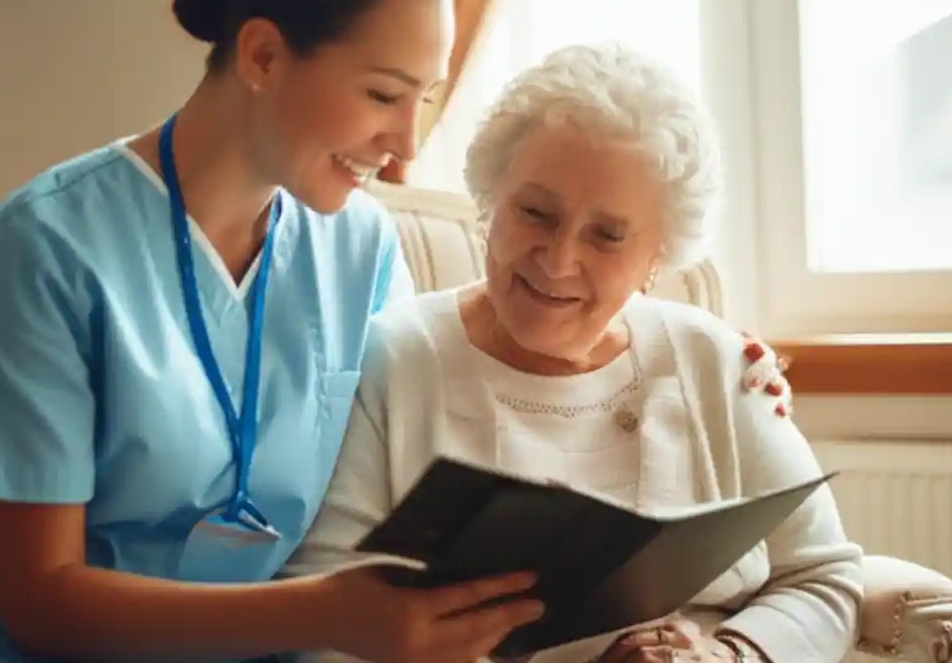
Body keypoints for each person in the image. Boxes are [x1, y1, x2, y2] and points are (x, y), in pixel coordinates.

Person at [0, 0, 549, 661]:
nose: (404, 141)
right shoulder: (39, 253)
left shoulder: (359, 246)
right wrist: (322, 616)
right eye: (382, 95)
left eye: (424, 101)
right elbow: (41, 601)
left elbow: (394, 489)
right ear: (264, 56)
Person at [286, 43, 863, 663]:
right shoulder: (391, 361)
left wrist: (730, 656)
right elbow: (323, 625)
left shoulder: (717, 362)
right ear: (491, 203)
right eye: (536, 213)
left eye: (607, 235)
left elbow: (823, 575)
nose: (559, 260)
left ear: (657, 257)